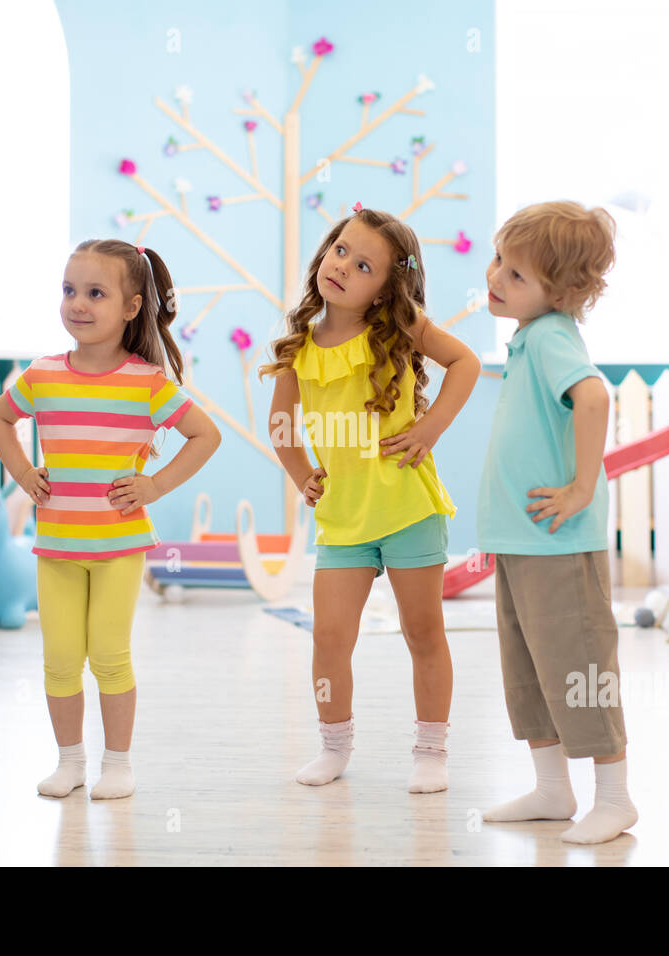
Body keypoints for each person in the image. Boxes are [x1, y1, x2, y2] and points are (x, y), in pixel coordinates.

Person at [0, 239, 220, 799]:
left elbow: (204, 435)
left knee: (110, 657)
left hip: (119, 545)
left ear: (132, 307)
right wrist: (22, 473)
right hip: (58, 545)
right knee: (61, 659)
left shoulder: (146, 382)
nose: (79, 304)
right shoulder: (43, 375)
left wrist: (154, 485)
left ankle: (118, 765)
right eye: (69, 291)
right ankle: (70, 763)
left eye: (95, 293)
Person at [260, 206, 479, 793]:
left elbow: (466, 362)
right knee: (329, 639)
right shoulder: (300, 346)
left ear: (386, 288)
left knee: (423, 632)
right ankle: (334, 746)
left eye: (364, 265)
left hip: (408, 509)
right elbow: (280, 421)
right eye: (340, 250)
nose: (343, 267)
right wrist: (300, 470)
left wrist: (430, 428)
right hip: (342, 520)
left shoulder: (401, 328)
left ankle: (431, 751)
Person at [477, 201, 638, 844]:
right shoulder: (529, 336)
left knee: (580, 669)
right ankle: (551, 789)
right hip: (523, 541)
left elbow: (594, 395)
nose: (496, 278)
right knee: (530, 671)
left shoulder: (549, 337)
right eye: (498, 261)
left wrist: (581, 486)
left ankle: (616, 797)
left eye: (515, 275)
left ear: (562, 292)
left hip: (558, 543)